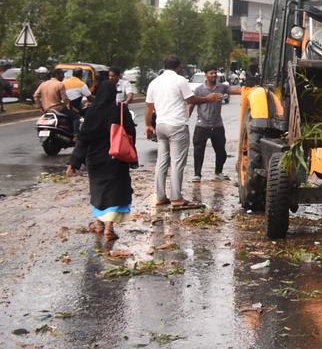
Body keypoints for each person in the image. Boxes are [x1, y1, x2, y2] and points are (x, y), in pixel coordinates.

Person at [145, 55, 222, 209]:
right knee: (177, 162)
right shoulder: (180, 80)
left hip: (160, 126)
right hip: (177, 125)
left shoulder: (154, 82)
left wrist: (148, 125)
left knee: (162, 161)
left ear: (164, 66)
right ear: (178, 67)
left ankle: (160, 196)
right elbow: (191, 99)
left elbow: (149, 106)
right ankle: (176, 198)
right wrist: (209, 98)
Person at [65, 77, 135, 242]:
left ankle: (98, 224)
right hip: (116, 157)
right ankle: (109, 227)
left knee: (98, 190)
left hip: (95, 159)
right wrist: (131, 156)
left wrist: (73, 163)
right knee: (115, 191)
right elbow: (131, 132)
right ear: (113, 94)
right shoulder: (121, 110)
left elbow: (84, 138)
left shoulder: (91, 112)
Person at [190, 65, 241, 181]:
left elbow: (235, 90)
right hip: (201, 125)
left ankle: (218, 173)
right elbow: (191, 104)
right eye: (211, 73)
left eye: (215, 73)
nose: (213, 75)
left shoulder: (222, 87)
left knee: (221, 151)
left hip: (217, 125)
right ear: (205, 75)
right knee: (198, 151)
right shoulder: (199, 89)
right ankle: (197, 174)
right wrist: (185, 118)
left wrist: (248, 90)